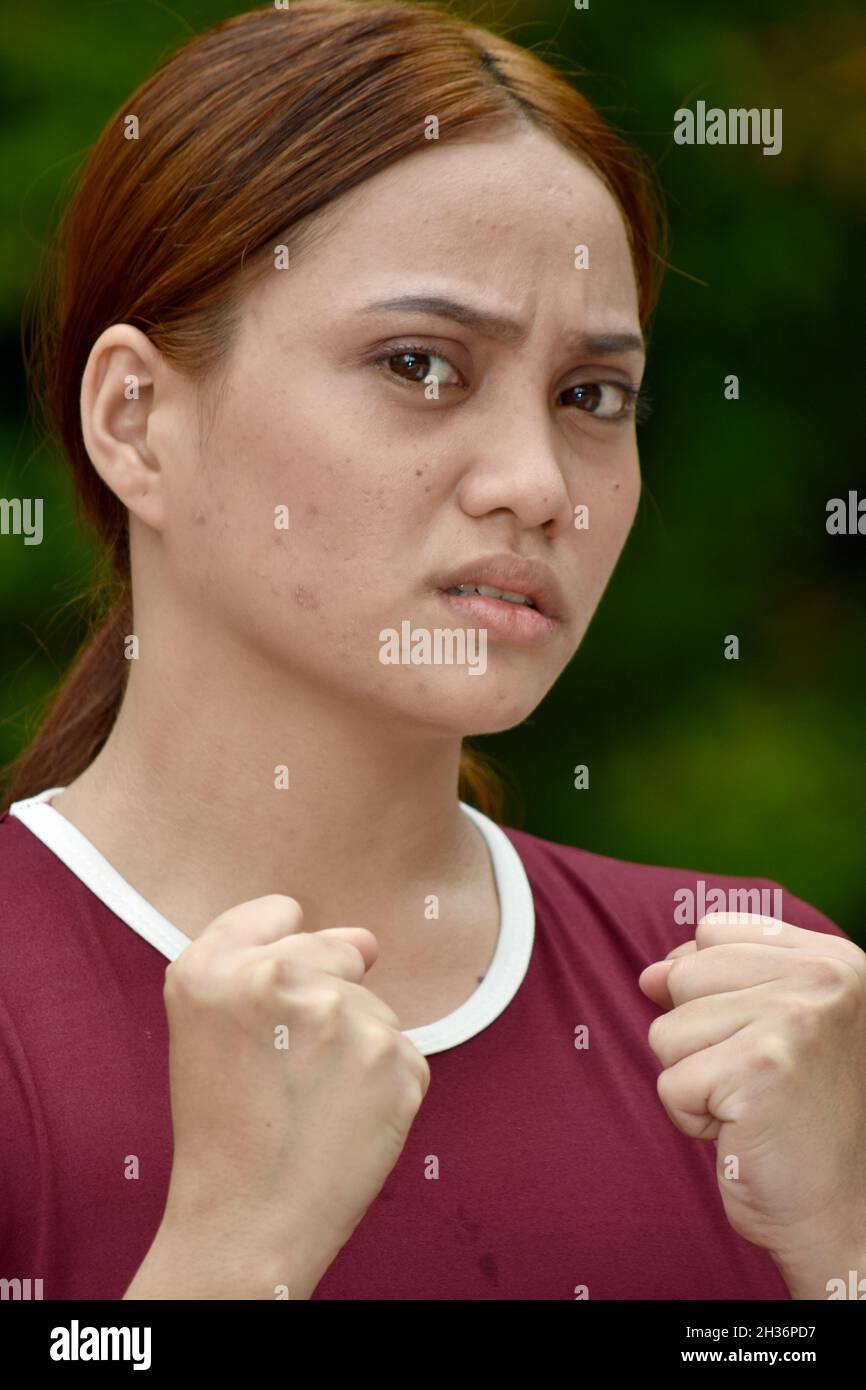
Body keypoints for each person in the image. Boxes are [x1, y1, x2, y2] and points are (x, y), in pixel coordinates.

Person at [1, 0, 863, 1302]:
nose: (532, 482)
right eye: (420, 363)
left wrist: (844, 1252)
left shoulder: (758, 1016)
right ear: (137, 421)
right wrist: (232, 1256)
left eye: (590, 396)